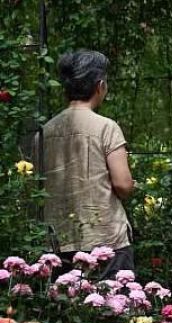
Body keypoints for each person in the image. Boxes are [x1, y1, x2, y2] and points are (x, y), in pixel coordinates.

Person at [42, 50, 135, 278]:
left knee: (64, 308)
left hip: (57, 240)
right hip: (106, 239)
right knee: (112, 305)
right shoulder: (106, 127)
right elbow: (123, 185)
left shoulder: (44, 132)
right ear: (100, 86)